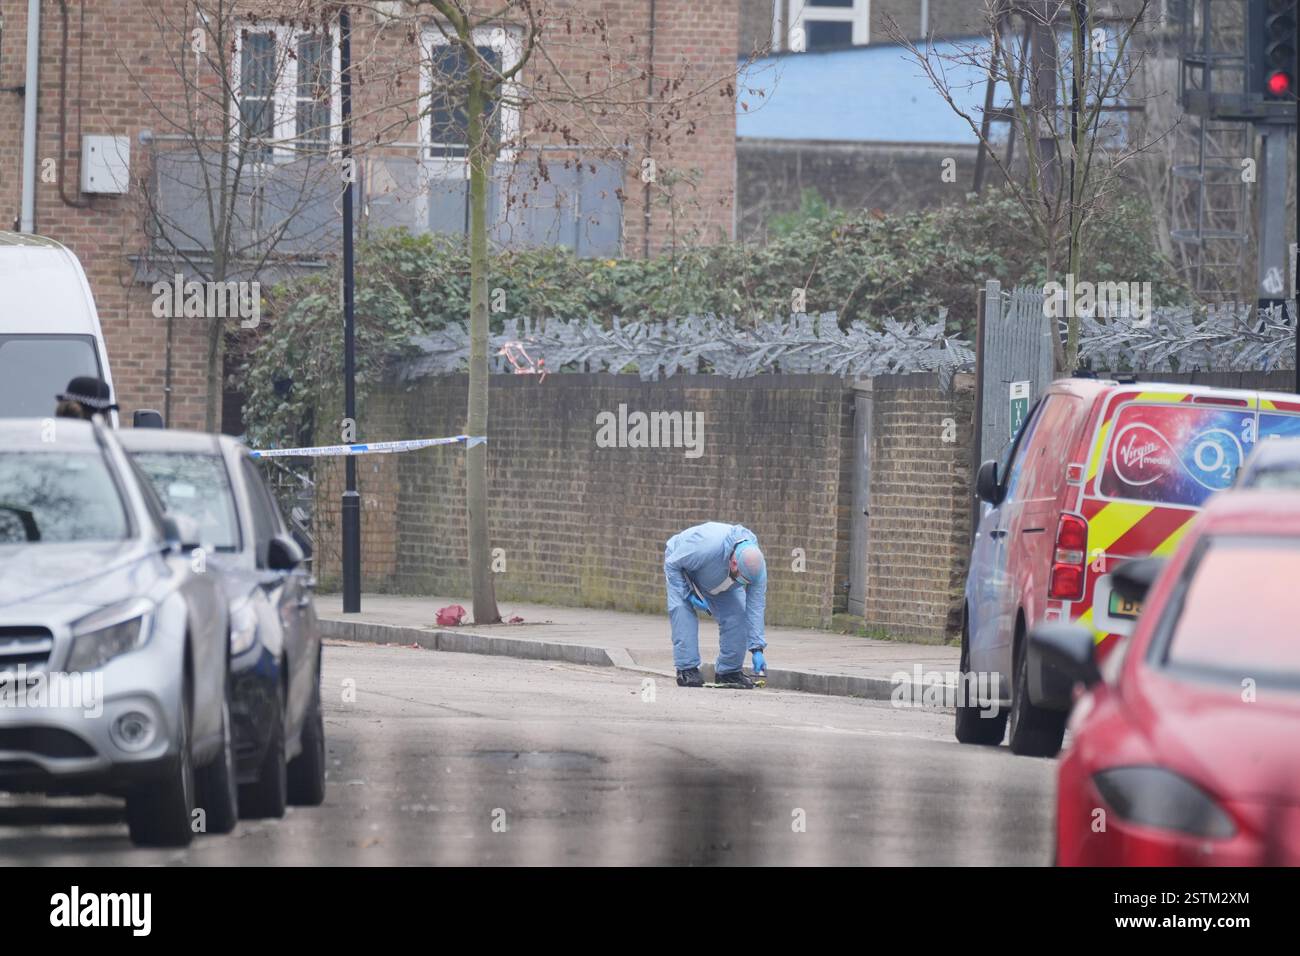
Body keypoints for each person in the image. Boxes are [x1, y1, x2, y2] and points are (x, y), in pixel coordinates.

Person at [664, 522, 768, 689]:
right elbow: (672, 564)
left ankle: (729, 672)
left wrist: (757, 648)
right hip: (682, 569)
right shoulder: (704, 546)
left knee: (738, 617)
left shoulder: (756, 569)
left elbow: (755, 607)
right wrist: (687, 593)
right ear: (734, 563)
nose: (743, 583)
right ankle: (687, 669)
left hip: (720, 580)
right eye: (741, 578)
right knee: (683, 615)